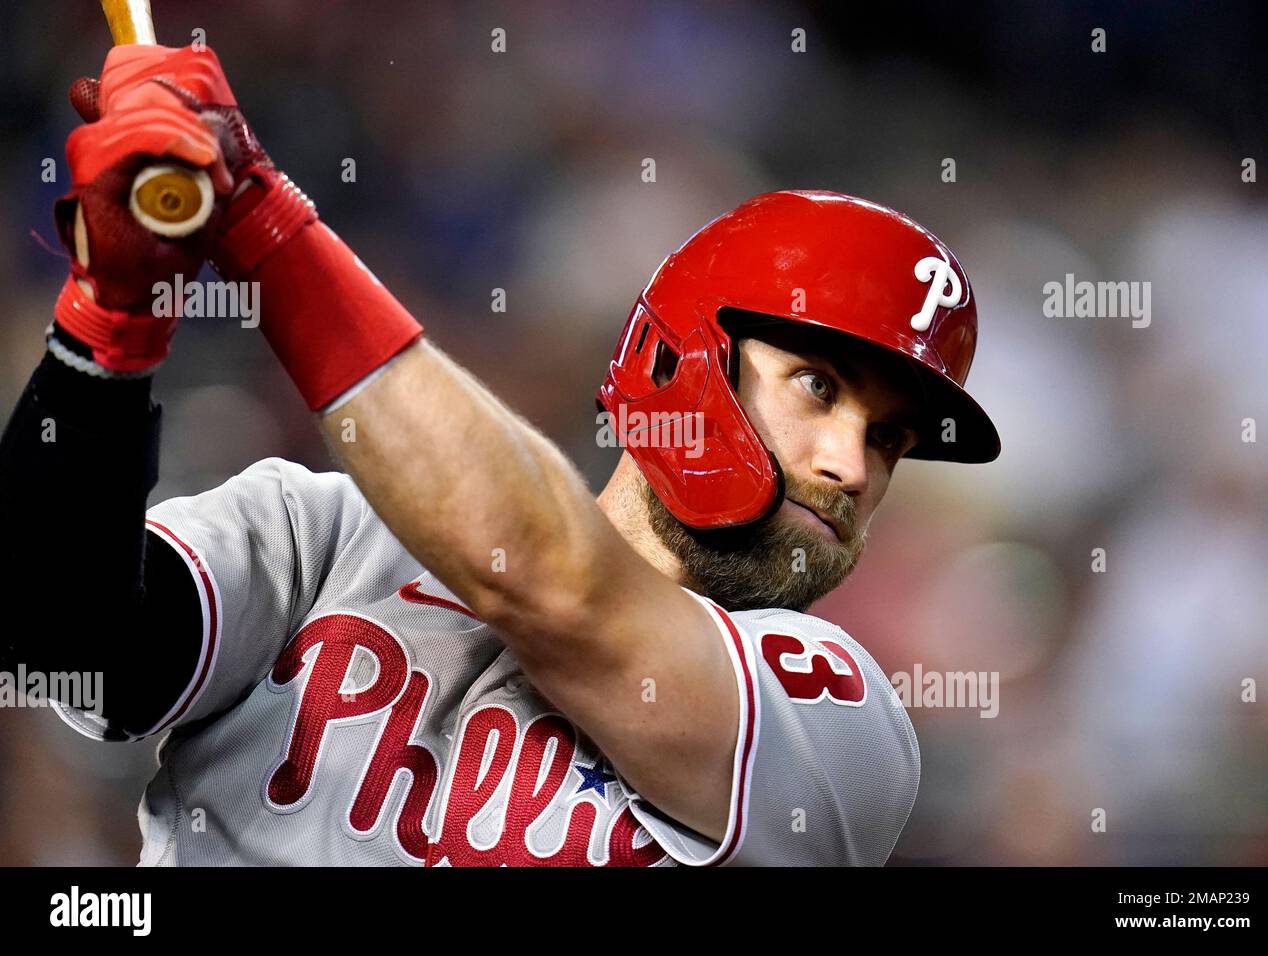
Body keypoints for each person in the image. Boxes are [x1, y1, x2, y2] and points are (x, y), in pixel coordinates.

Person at [0, 45, 999, 866]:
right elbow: (56, 646)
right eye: (819, 388)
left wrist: (260, 217)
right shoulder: (324, 535)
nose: (853, 467)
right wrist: (108, 324)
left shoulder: (837, 717)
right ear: (677, 359)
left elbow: (552, 588)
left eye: (889, 439)